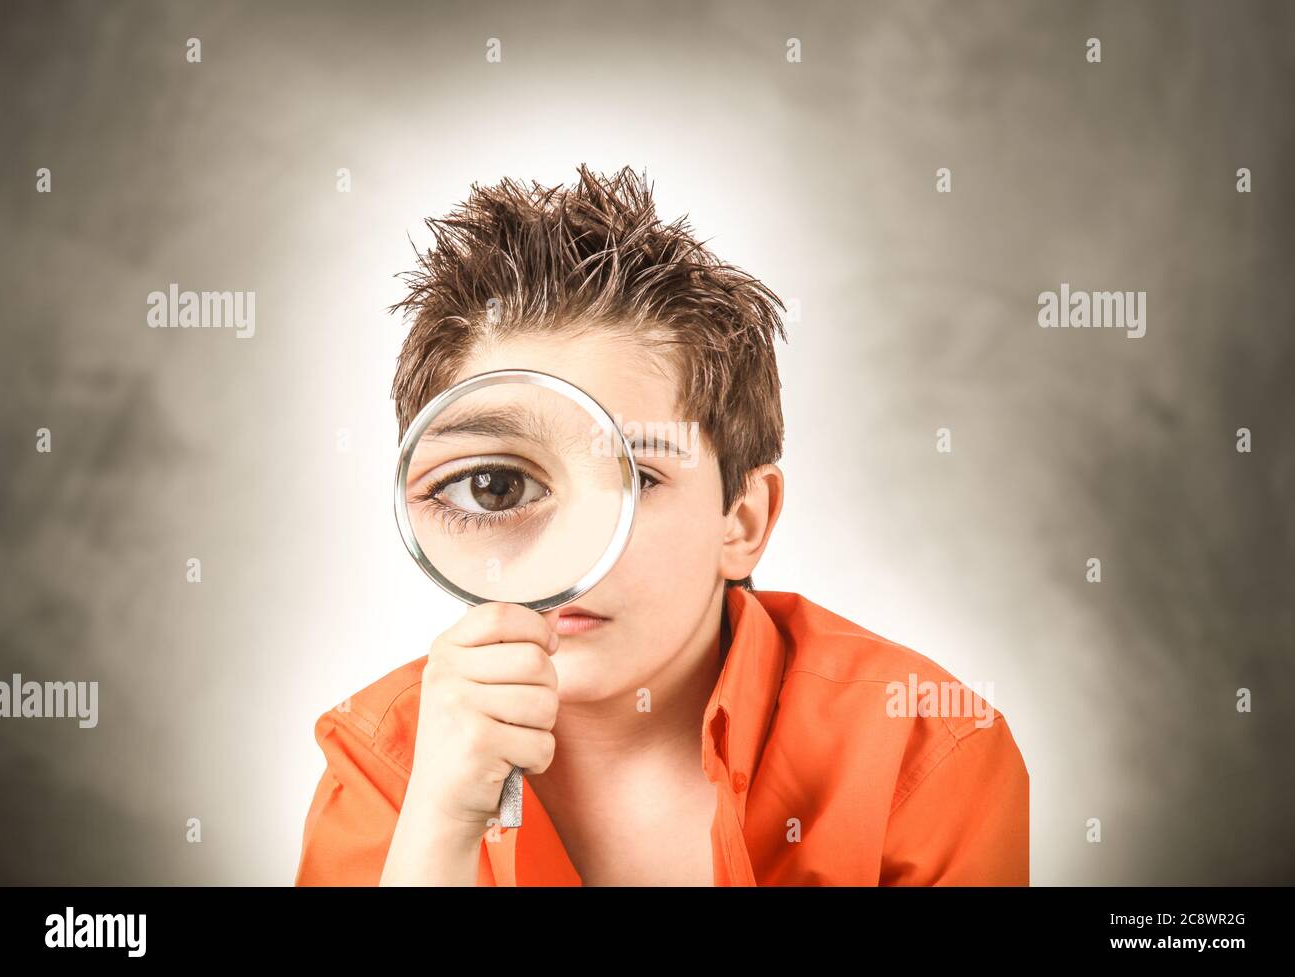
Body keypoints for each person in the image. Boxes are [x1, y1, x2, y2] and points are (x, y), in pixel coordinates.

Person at [294, 164, 1028, 886]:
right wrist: (438, 831)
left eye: (637, 479)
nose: (565, 553)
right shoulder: (386, 763)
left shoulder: (920, 744)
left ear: (741, 519)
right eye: (497, 485)